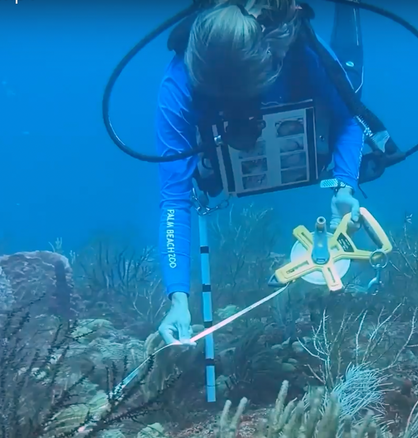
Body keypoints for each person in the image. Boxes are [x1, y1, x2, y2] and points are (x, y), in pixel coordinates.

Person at [154, 0, 365, 344]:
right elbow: (174, 199)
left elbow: (348, 119)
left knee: (349, 81)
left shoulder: (302, 52)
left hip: (306, 93)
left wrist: (344, 185)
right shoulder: (180, 85)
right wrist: (178, 299)